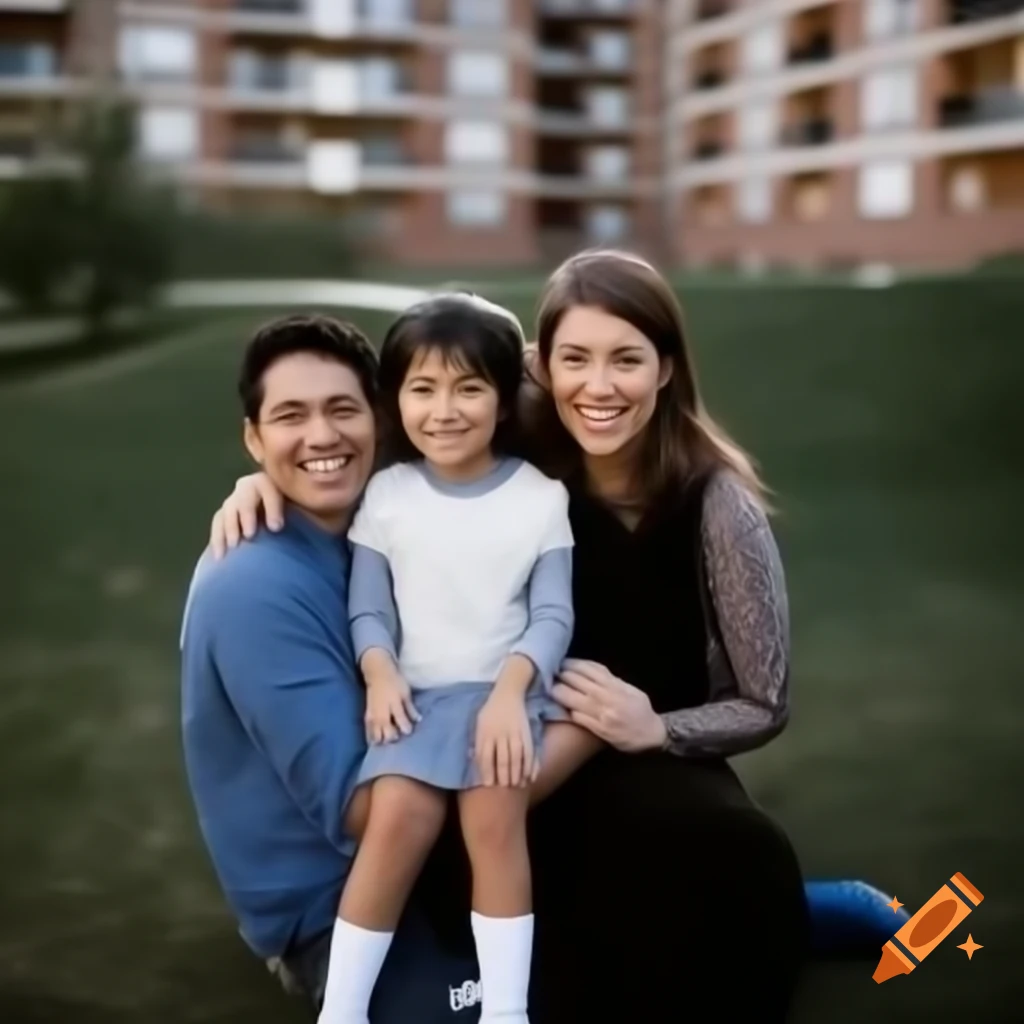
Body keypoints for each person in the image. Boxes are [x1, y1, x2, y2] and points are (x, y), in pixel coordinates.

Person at [179, 315, 483, 1024]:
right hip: (340, 907)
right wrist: (567, 731)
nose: (321, 436)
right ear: (254, 441)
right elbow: (367, 812)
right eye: (290, 416)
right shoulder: (252, 587)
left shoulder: (379, 520)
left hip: (442, 854)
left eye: (342, 409)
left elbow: (509, 382)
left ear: (378, 416)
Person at [317, 294, 598, 1024]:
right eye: (423, 388)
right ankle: (340, 1010)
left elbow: (552, 614)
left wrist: (511, 692)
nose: (445, 410)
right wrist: (378, 670)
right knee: (397, 815)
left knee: (494, 812)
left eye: (469, 387)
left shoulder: (541, 500)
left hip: (506, 693)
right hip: (416, 699)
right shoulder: (387, 494)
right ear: (397, 399)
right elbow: (369, 606)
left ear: (504, 401)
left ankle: (506, 1011)